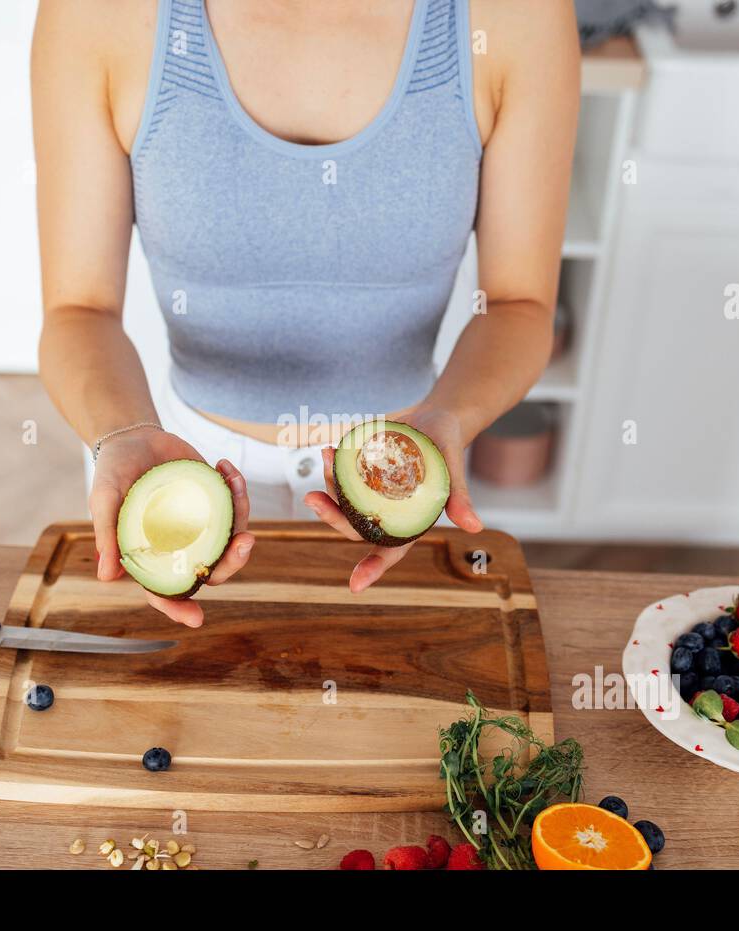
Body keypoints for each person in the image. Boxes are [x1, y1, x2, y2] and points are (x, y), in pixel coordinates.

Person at [33, 0, 580, 625]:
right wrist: (123, 432)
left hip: (404, 470)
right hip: (178, 461)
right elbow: (79, 310)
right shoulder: (95, 15)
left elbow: (520, 303)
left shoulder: (519, 16)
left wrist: (448, 418)